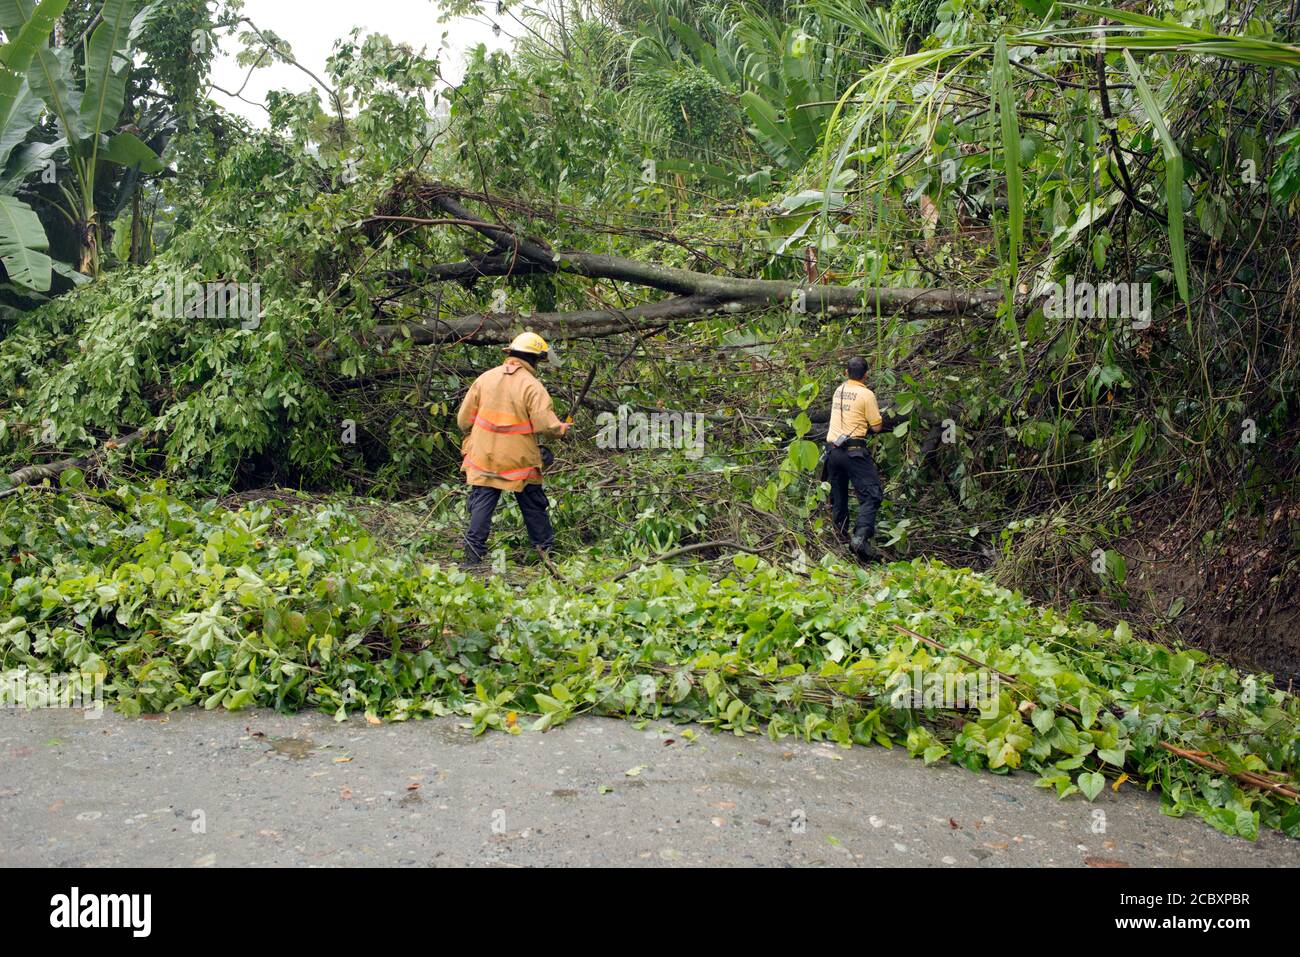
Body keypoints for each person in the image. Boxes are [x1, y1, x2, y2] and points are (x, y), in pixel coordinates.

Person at [457, 332, 571, 568]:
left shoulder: (485, 378)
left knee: (481, 503)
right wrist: (561, 429)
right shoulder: (532, 386)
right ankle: (546, 555)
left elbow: (463, 421)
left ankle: (471, 559)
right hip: (519, 460)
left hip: (483, 457)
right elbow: (546, 425)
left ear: (511, 353)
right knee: (533, 504)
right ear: (535, 359)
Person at [825, 356, 886, 560]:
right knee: (872, 494)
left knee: (838, 496)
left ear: (846, 373)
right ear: (866, 375)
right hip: (854, 450)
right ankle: (860, 538)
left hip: (833, 451)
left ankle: (839, 542)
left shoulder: (839, 390)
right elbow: (877, 427)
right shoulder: (866, 394)